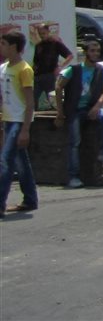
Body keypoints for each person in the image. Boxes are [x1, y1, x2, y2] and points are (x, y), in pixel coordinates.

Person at [54, 40, 103, 188]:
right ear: (86, 52)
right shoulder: (74, 70)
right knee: (75, 142)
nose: (96, 54)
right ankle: (73, 176)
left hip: (92, 107)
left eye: (98, 51)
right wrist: (60, 112)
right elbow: (58, 87)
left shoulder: (101, 70)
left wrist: (97, 107)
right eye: (93, 51)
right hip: (75, 109)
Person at [1, 30, 38, 216]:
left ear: (13, 47)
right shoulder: (3, 68)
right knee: (21, 163)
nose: (1, 48)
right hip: (7, 121)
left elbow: (30, 102)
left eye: (3, 44)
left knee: (5, 162)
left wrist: (25, 129)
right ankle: (30, 199)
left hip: (18, 122)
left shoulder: (24, 69)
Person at [31, 23, 74, 110]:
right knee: (32, 99)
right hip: (38, 76)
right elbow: (36, 62)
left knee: (53, 101)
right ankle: (33, 119)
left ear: (48, 32)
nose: (42, 36)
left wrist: (60, 67)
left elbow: (70, 56)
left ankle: (56, 117)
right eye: (40, 34)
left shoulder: (55, 43)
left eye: (43, 33)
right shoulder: (38, 45)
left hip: (50, 76)